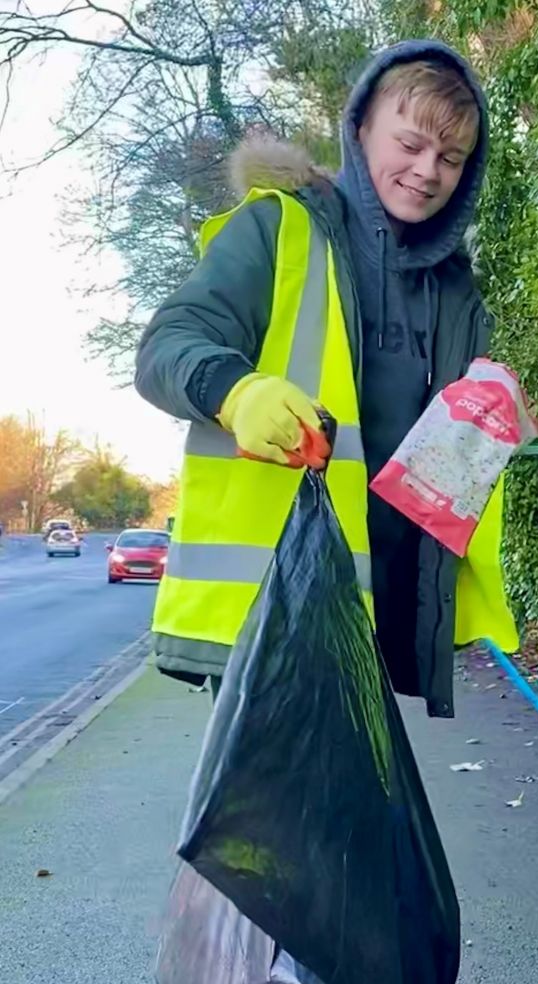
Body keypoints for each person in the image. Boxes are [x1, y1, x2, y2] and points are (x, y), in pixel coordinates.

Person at [135, 41, 518, 715]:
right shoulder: (276, 229)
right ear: (361, 126)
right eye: (410, 143)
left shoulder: (457, 291)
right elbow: (166, 347)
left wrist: (493, 427)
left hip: (374, 622)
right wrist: (236, 392)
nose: (427, 171)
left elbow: (433, 463)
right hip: (274, 610)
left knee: (351, 824)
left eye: (450, 158)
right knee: (274, 824)